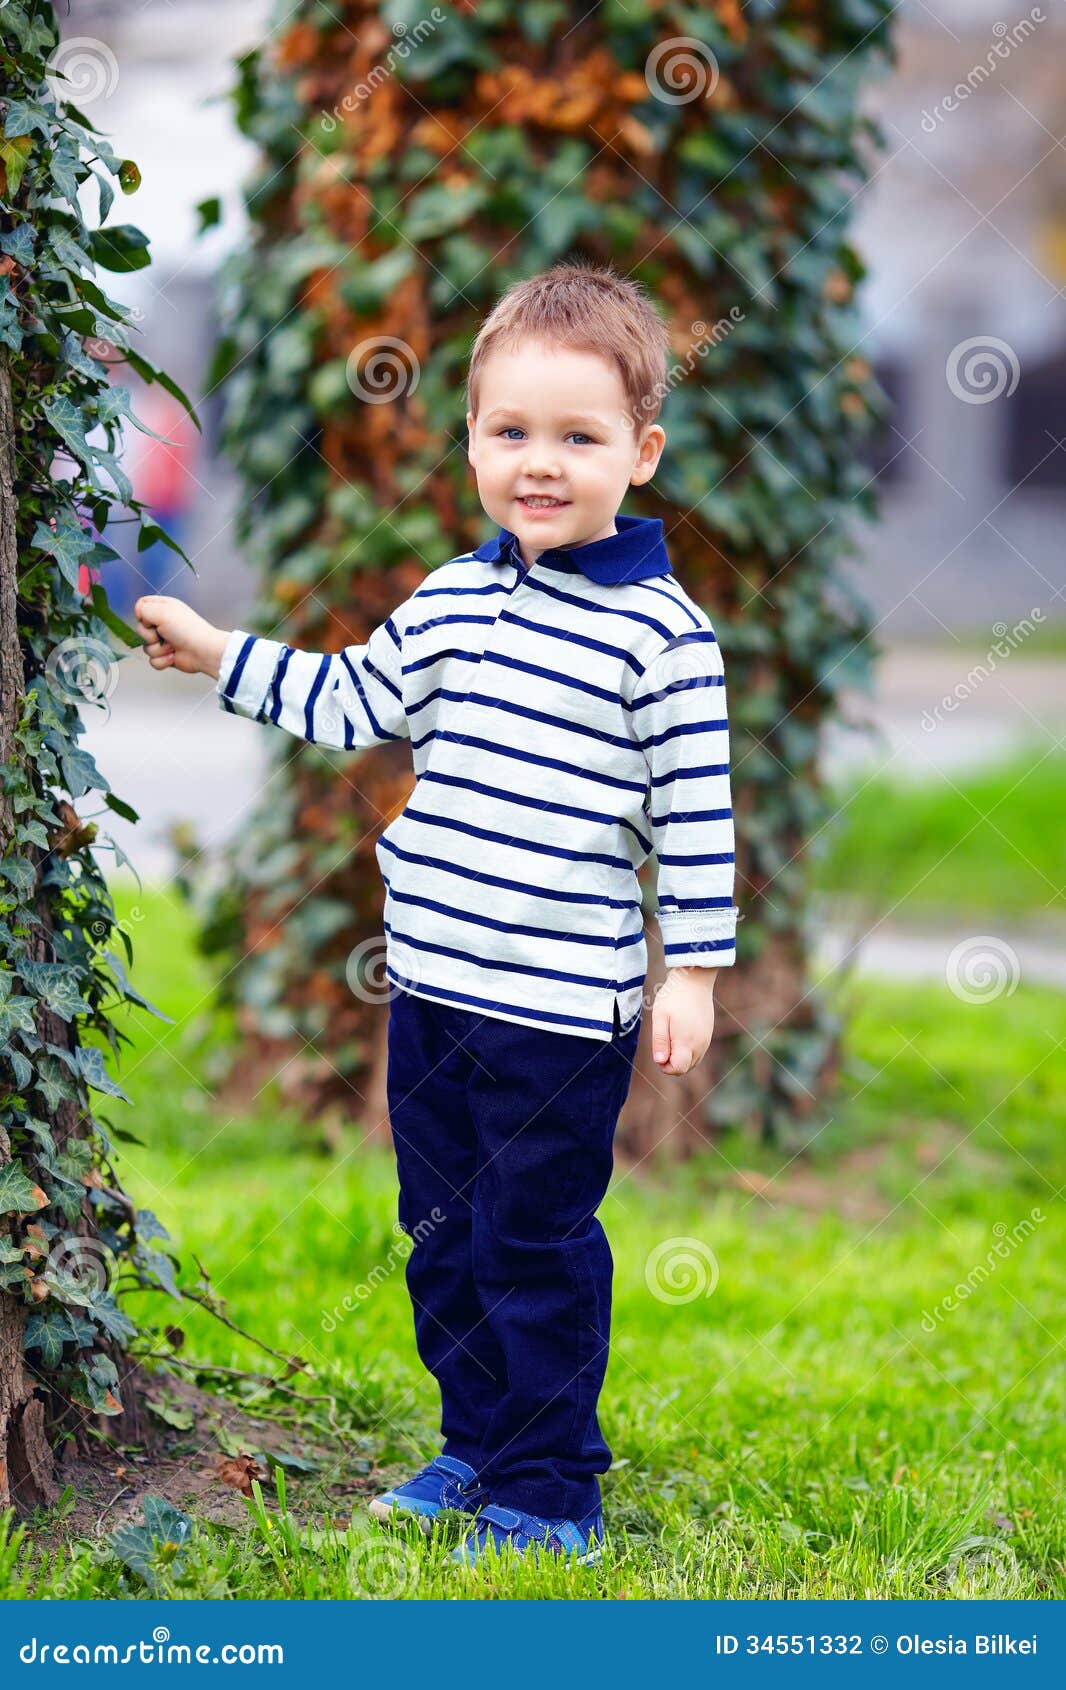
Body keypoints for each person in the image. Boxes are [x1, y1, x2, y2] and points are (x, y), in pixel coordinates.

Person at [133, 262, 739, 1569]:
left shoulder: (662, 637)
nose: (538, 462)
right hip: (431, 989)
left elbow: (695, 813)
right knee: (442, 1236)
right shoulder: (455, 597)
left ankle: (550, 1483)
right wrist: (216, 651)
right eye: (509, 431)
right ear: (470, 438)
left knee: (533, 1241)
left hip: (557, 1016)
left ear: (639, 450)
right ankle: (473, 1444)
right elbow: (350, 701)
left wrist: (690, 970)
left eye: (576, 437)